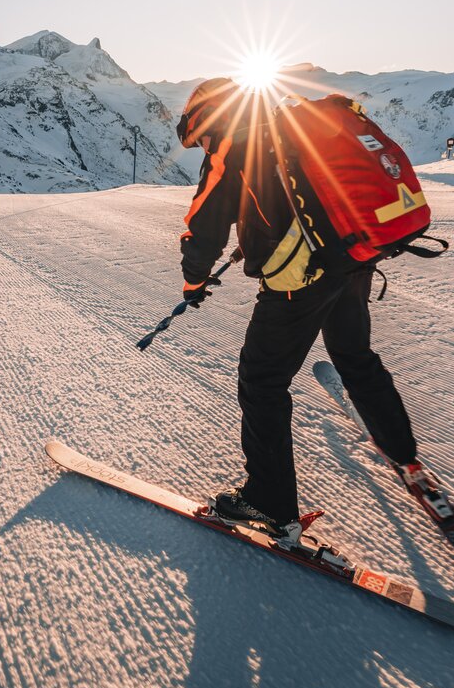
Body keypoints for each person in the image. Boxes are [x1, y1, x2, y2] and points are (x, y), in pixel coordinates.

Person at [176, 78, 422, 538]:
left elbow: (205, 223)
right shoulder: (292, 127)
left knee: (262, 382)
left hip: (300, 277)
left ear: (209, 117)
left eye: (201, 137)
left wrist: (193, 281)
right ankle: (401, 449)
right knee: (354, 356)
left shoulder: (233, 143)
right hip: (351, 258)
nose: (205, 147)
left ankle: (269, 502)